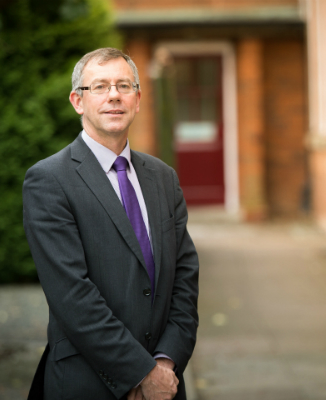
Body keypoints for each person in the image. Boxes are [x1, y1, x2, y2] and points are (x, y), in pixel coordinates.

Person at [22, 47, 199, 400]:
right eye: (99, 87)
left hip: (165, 385)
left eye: (123, 85)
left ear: (137, 99)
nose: (114, 95)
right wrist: (139, 372)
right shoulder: (48, 180)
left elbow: (185, 277)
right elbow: (73, 296)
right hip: (88, 383)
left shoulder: (163, 178)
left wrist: (165, 362)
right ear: (77, 101)